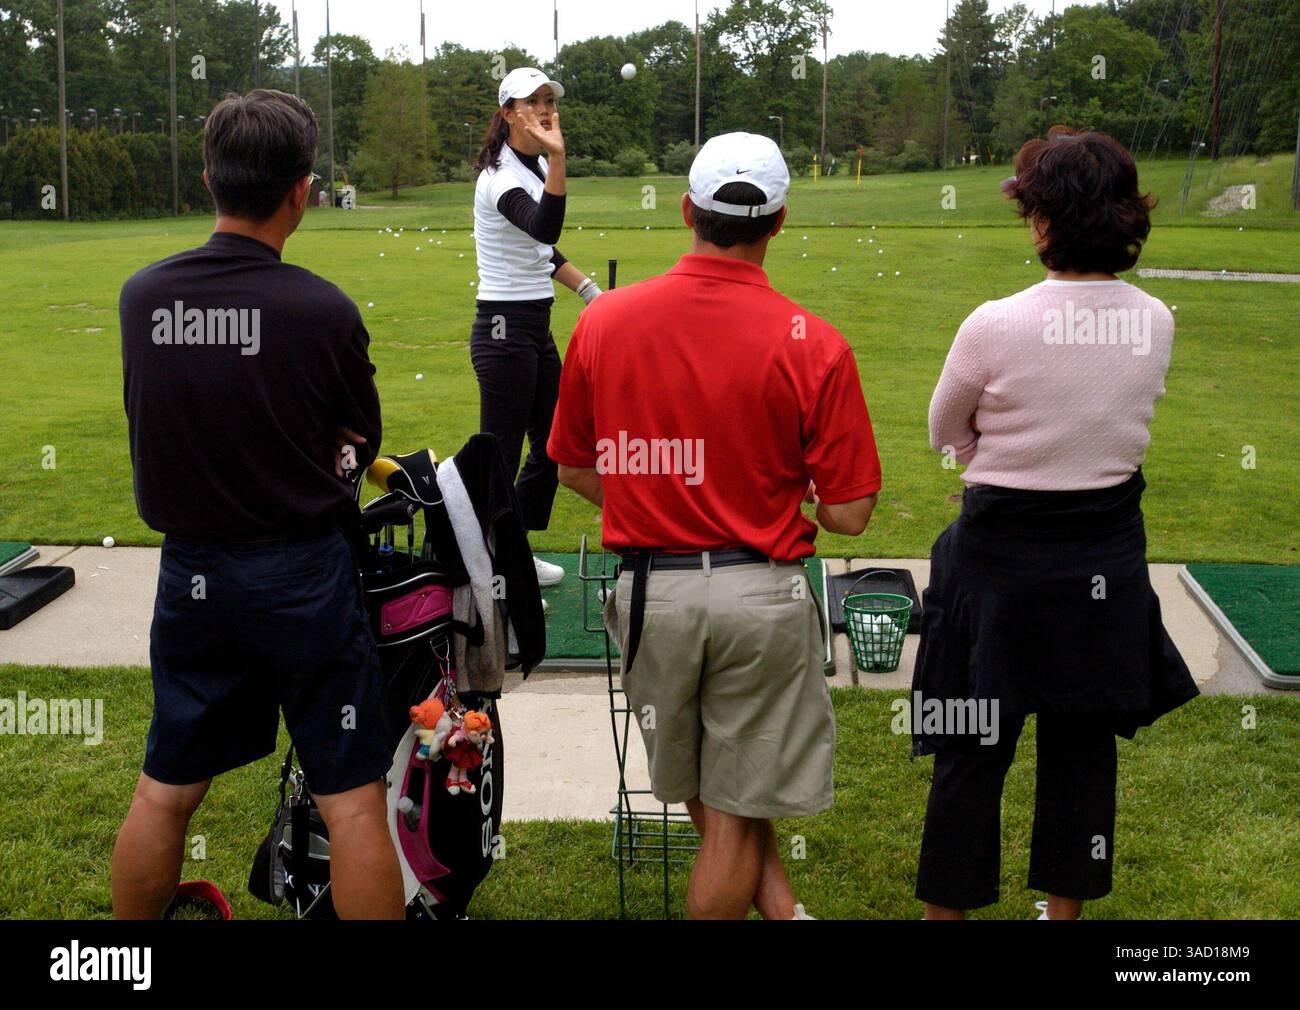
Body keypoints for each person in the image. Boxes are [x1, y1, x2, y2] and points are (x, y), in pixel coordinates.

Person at [548, 132, 882, 920]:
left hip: (649, 598)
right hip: (759, 595)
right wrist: (759, 498)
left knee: (717, 793)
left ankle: (787, 914)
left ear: (686, 208)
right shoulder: (817, 343)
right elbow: (850, 513)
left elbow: (571, 467)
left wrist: (654, 498)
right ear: (780, 221)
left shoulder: (605, 322)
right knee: (729, 802)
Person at [112, 89, 404, 920]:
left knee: (166, 789)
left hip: (195, 574)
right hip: (305, 575)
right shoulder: (322, 309)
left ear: (209, 177)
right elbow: (358, 431)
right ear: (301, 191)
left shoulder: (144, 297)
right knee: (352, 800)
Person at [914, 126, 1200, 921]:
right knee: (1080, 747)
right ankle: (1061, 915)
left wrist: (1001, 455)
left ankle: (947, 918)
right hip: (1101, 558)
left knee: (970, 746)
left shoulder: (993, 323)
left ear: (1042, 220)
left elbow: (946, 432)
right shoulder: (1156, 319)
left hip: (999, 556)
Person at [470, 67, 601, 592]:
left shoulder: (536, 164)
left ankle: (512, 553)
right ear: (507, 114)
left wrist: (590, 292)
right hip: (502, 328)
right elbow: (545, 226)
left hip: (533, 323)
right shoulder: (501, 174)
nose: (545, 109)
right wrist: (562, 158)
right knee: (498, 455)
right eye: (532, 102)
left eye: (549, 100)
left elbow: (541, 250)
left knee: (552, 446)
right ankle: (488, 573)